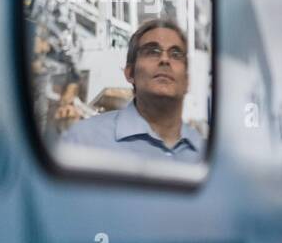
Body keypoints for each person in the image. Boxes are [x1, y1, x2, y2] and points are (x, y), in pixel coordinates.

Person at [61, 18, 202, 161]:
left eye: (176, 54)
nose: (165, 59)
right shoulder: (84, 141)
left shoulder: (208, 155)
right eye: (152, 51)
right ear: (129, 73)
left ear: (187, 80)